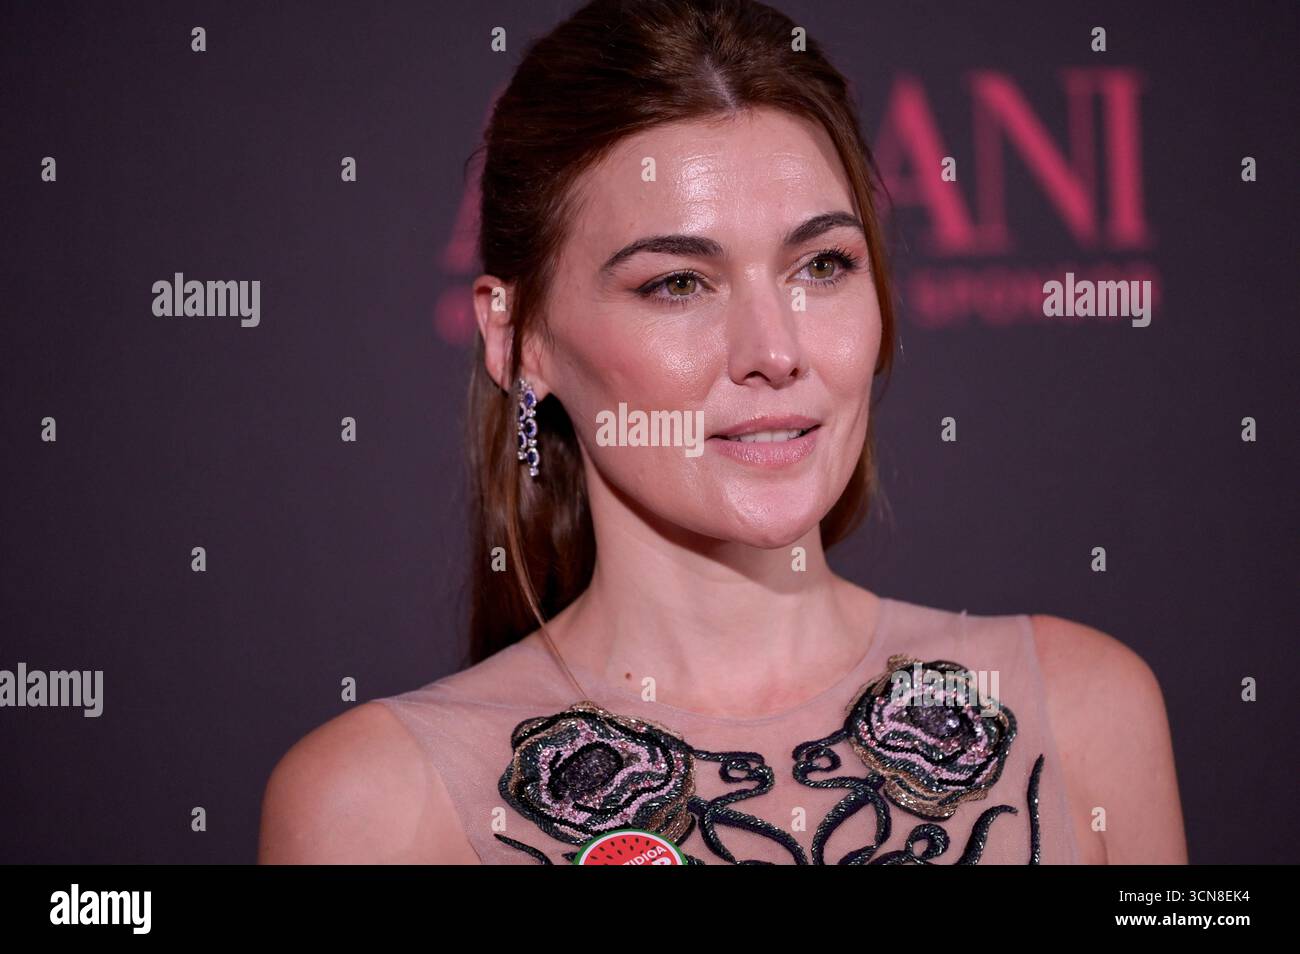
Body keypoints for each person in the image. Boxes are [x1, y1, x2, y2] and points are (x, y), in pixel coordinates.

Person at [258, 0, 1186, 865]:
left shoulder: (1083, 710)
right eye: (677, 283)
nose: (774, 352)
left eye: (823, 264)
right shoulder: (373, 806)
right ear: (517, 338)